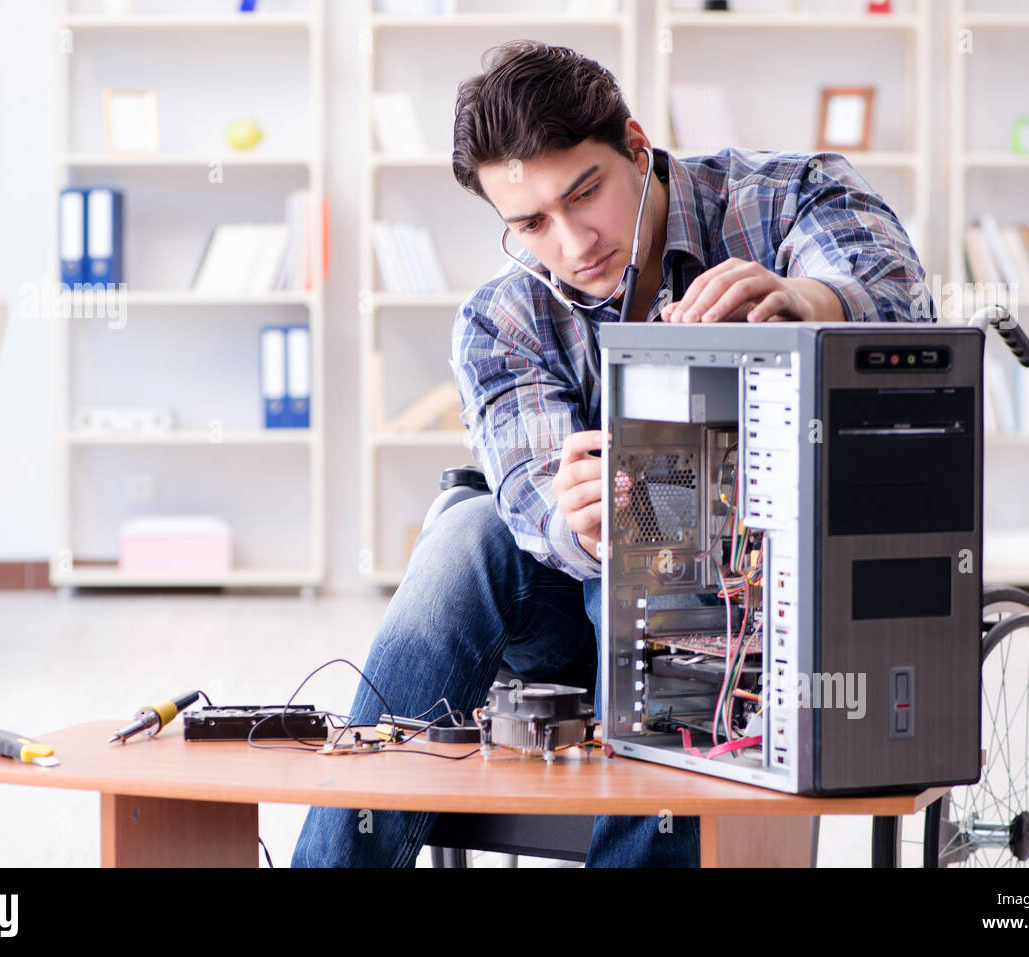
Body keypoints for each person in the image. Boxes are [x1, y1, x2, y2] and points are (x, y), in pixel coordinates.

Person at [292, 40, 932, 868]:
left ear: (636, 144)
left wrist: (809, 302)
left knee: (666, 533)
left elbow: (903, 302)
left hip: (777, 603)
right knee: (470, 535)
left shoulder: (784, 196)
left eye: (584, 193)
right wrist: (581, 518)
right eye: (530, 224)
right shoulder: (502, 317)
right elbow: (530, 498)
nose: (572, 242)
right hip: (584, 621)